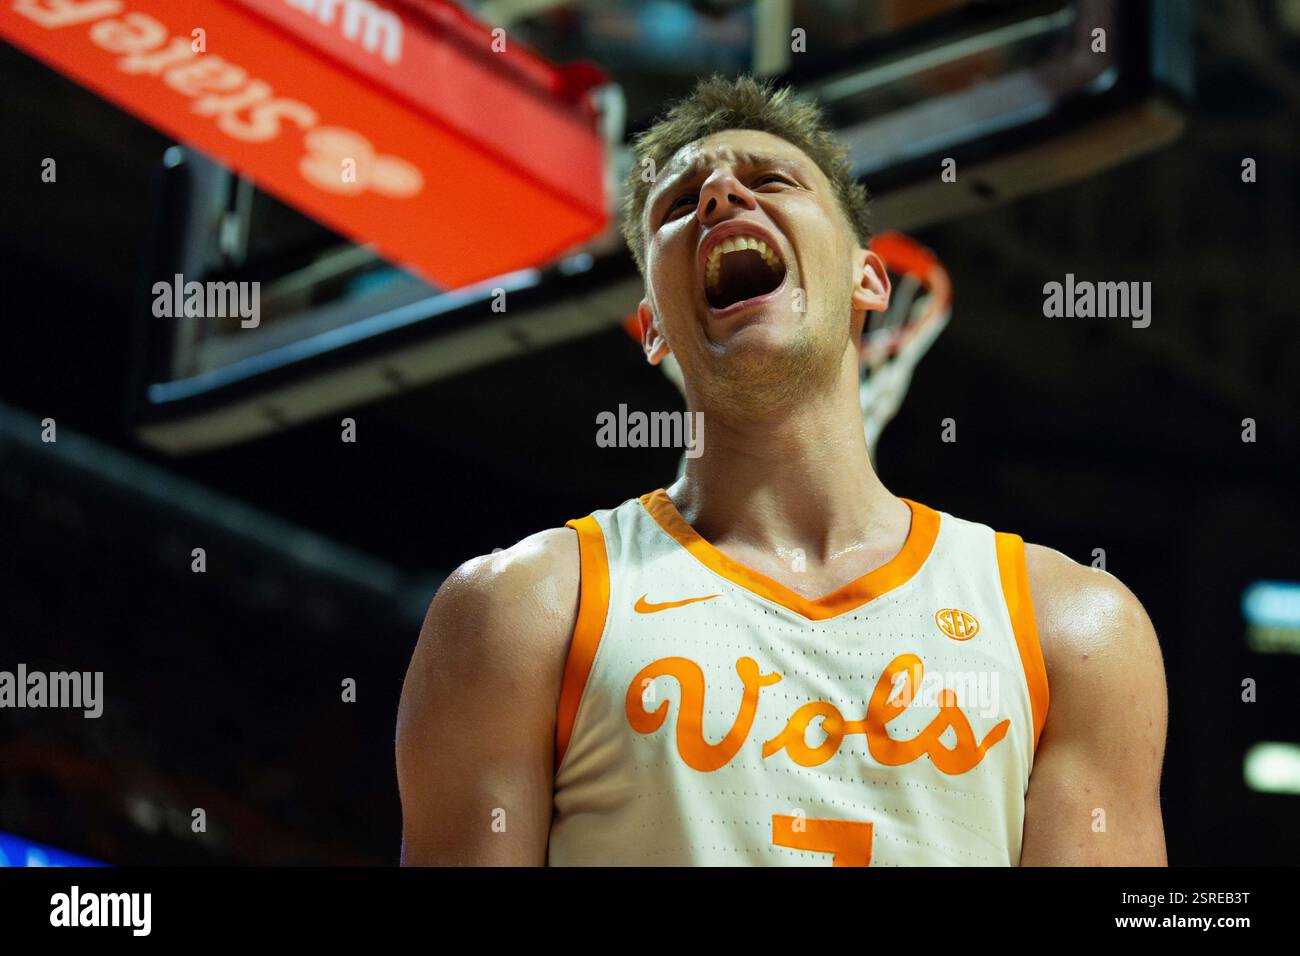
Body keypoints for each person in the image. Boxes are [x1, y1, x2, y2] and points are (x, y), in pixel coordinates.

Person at [396, 75, 1167, 866]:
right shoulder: (522, 610)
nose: (722, 195)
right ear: (653, 328)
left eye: (770, 180)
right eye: (678, 204)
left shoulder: (1072, 627)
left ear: (871, 280)